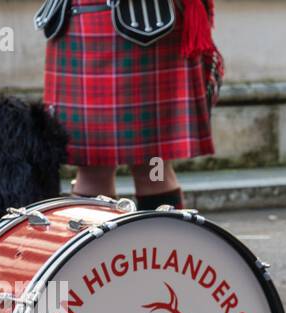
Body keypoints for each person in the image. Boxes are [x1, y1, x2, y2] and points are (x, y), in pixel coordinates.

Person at [37, 0, 223, 209]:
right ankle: (148, 240)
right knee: (97, 168)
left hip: (148, 20)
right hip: (84, 18)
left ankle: (160, 241)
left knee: (152, 167)